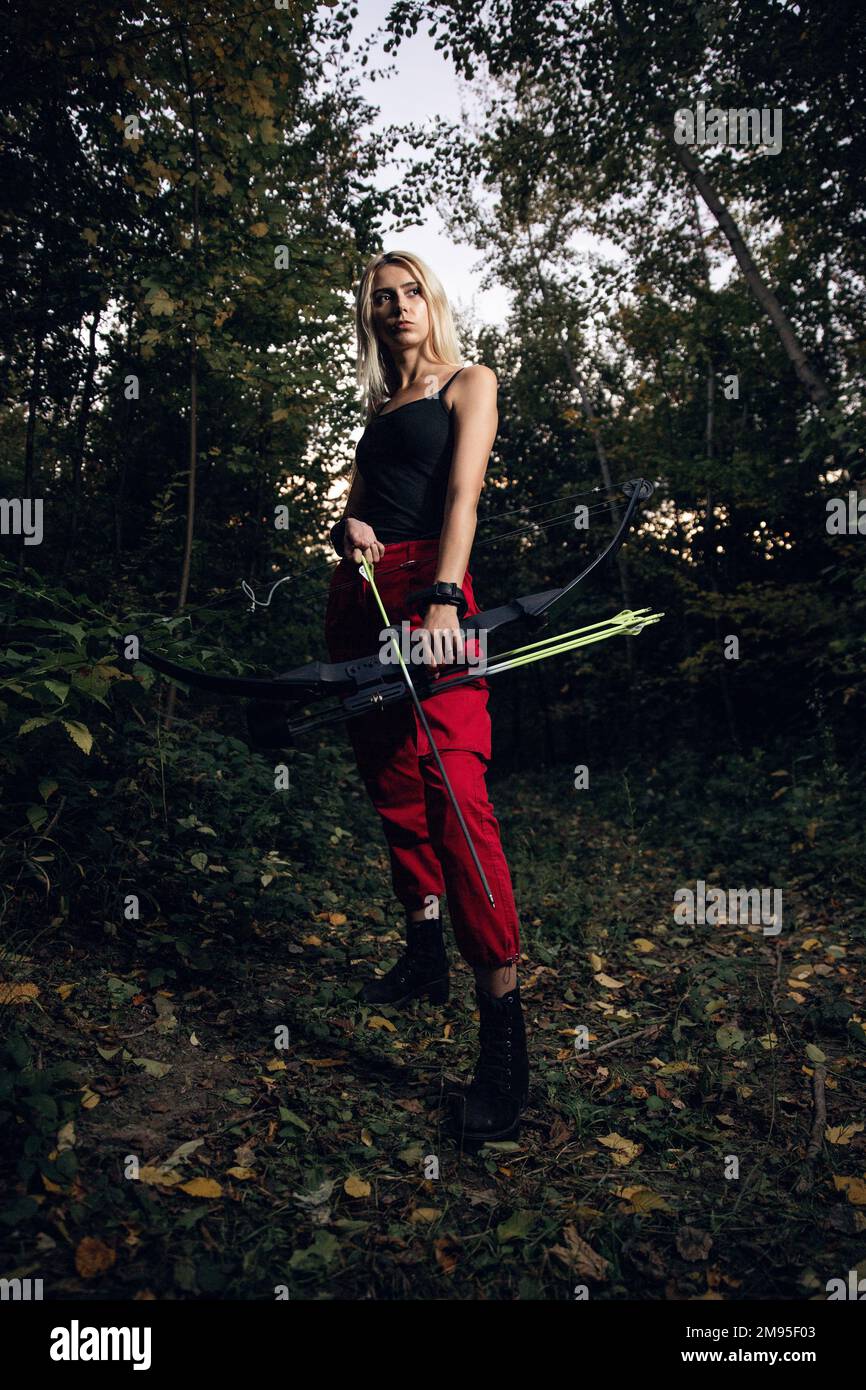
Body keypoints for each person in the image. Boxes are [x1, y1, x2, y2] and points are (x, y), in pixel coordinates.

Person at [325, 250, 528, 1144]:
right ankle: (422, 952)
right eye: (382, 298)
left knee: (457, 795)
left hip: (432, 597)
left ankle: (503, 1037)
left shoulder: (467, 381)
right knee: (394, 789)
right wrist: (346, 528)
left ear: (431, 303)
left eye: (411, 293)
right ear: (367, 316)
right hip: (362, 601)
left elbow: (464, 494)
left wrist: (446, 595)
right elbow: (358, 512)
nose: (398, 306)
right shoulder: (378, 413)